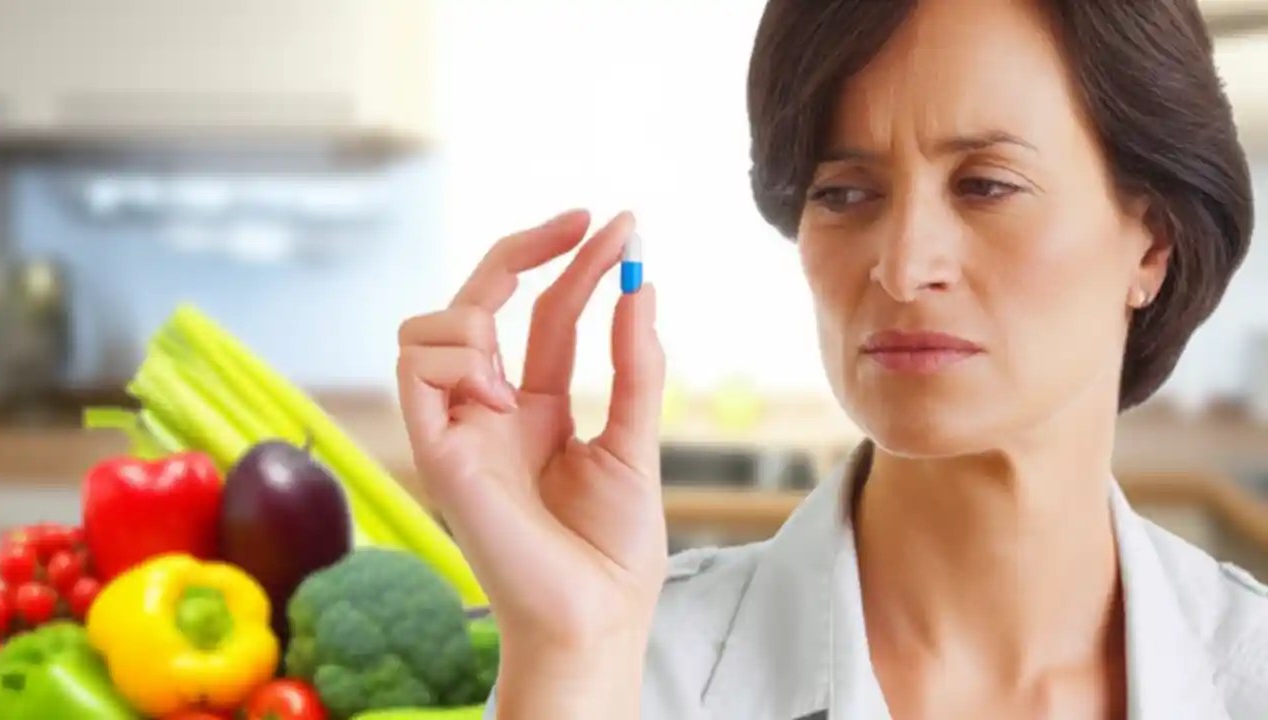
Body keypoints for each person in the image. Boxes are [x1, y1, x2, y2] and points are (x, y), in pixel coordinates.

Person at [395, 0, 1264, 717]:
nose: (903, 266)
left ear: (1152, 243)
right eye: (845, 194)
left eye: (986, 186)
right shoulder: (631, 668)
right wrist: (569, 654)